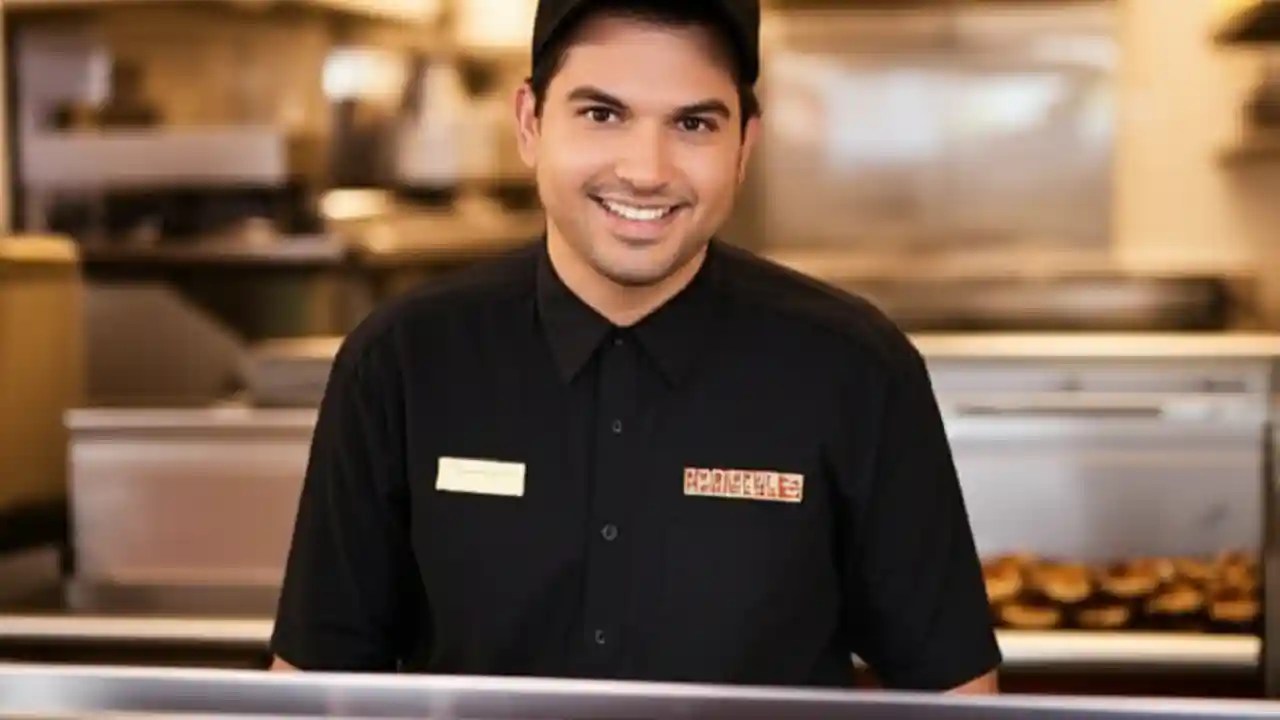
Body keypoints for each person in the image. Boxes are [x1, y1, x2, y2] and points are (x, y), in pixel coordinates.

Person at [269, 0, 1001, 694]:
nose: (646, 170)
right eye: (601, 113)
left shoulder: (856, 370)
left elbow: (955, 693)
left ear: (744, 144)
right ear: (530, 122)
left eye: (693, 124)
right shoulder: (401, 363)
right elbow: (316, 692)